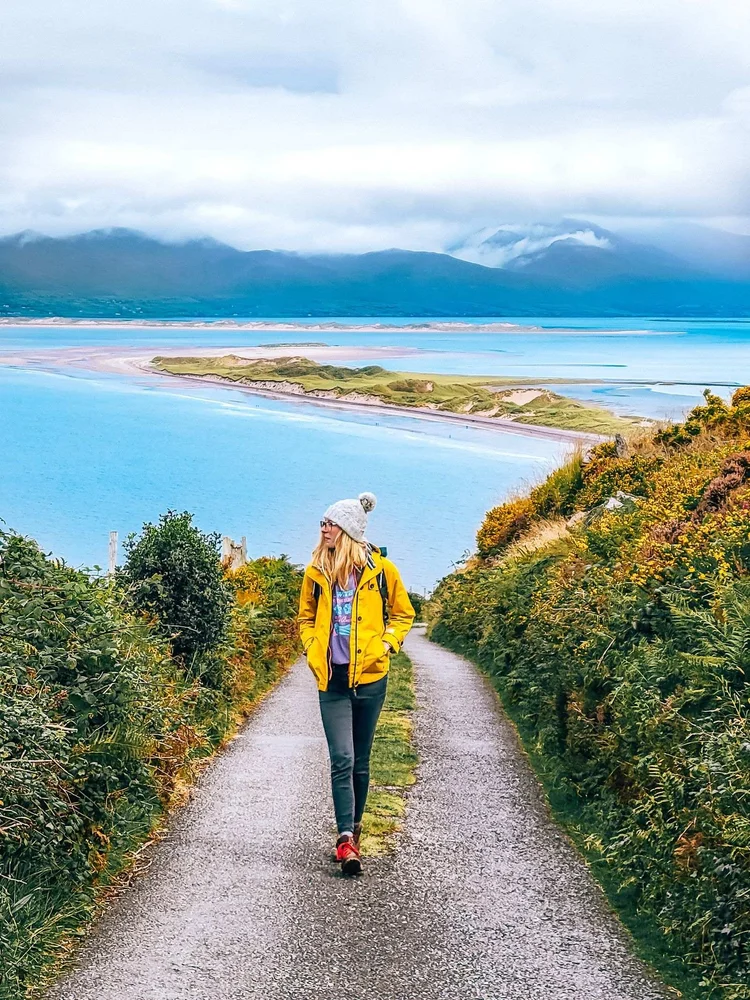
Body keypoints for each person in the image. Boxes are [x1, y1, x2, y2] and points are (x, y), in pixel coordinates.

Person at [297, 491, 415, 875]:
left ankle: (356, 831)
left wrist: (387, 643)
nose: (324, 528)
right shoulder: (316, 571)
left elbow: (403, 614)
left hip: (370, 678)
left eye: (330, 523)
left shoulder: (382, 572)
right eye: (323, 522)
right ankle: (345, 838)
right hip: (331, 679)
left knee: (361, 762)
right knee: (342, 758)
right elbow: (305, 618)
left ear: (348, 531)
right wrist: (313, 646)